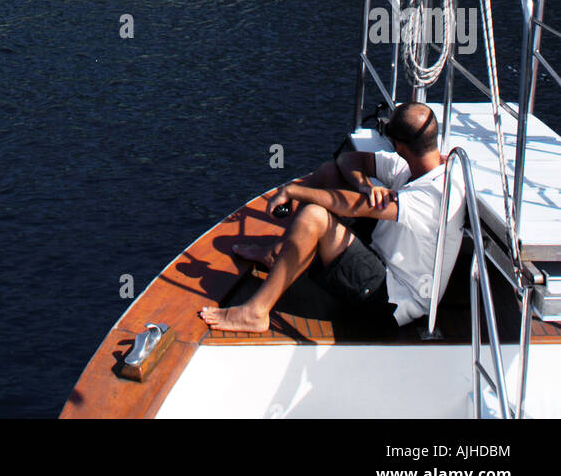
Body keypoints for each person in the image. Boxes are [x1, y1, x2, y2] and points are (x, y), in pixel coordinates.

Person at [199, 103, 465, 333]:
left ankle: (255, 313)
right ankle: (278, 253)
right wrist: (365, 186)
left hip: (392, 299)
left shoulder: (435, 194)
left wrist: (292, 190)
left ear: (399, 146)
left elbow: (355, 207)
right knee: (329, 174)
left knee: (315, 216)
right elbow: (348, 160)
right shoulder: (417, 165)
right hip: (381, 254)